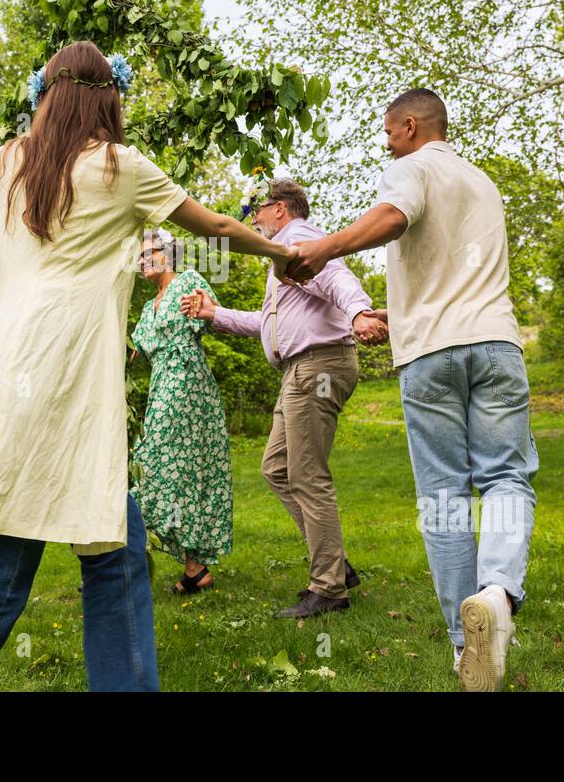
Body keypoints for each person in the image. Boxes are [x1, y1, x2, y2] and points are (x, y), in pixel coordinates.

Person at [0, 40, 297, 691]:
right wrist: (282, 257)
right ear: (110, 99)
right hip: (71, 383)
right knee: (45, 565)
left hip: (2, 382)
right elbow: (216, 222)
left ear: (41, 95)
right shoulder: (122, 168)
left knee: (72, 555)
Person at [286, 88, 538, 691]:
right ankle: (499, 593)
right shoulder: (483, 183)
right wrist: (397, 315)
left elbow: (394, 216)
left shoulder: (412, 167)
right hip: (495, 345)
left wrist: (324, 247)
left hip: (433, 358)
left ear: (410, 124)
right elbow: (454, 276)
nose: (386, 141)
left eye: (389, 131)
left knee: (444, 496)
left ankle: (462, 645)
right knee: (506, 475)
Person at [180, 178, 388, 619]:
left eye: (259, 209)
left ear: (280, 209)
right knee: (276, 468)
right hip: (300, 370)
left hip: (318, 366)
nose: (254, 217)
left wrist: (359, 312)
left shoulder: (299, 239)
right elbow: (268, 322)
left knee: (307, 475)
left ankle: (329, 588)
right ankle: (334, 561)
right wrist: (214, 314)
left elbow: (335, 275)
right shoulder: (283, 259)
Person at [131, 228, 232, 596]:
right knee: (173, 471)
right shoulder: (147, 307)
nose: (143, 260)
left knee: (160, 466)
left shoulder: (188, 279)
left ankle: (134, 560)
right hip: (162, 383)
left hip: (187, 381)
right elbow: (136, 348)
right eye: (139, 255)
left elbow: (213, 315)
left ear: (169, 253)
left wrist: (206, 311)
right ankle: (195, 568)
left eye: (149, 253)